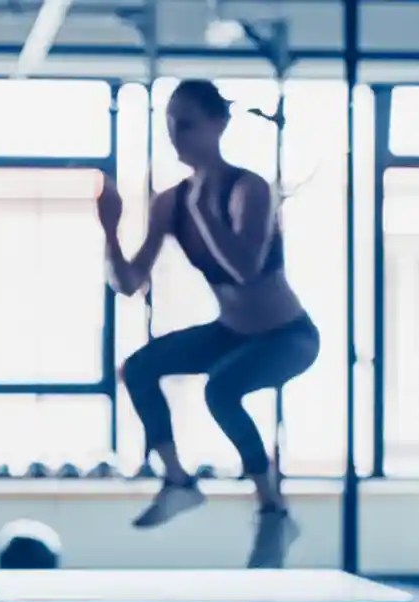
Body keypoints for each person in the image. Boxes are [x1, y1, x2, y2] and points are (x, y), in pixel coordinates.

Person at [97, 79, 320, 568]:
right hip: (232, 332)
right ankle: (178, 481)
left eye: (187, 124)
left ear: (218, 125)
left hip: (289, 336)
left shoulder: (249, 188)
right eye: (170, 124)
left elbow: (244, 267)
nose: (176, 134)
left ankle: (273, 511)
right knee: (138, 368)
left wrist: (202, 208)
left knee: (221, 391)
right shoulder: (170, 203)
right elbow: (130, 282)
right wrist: (111, 231)